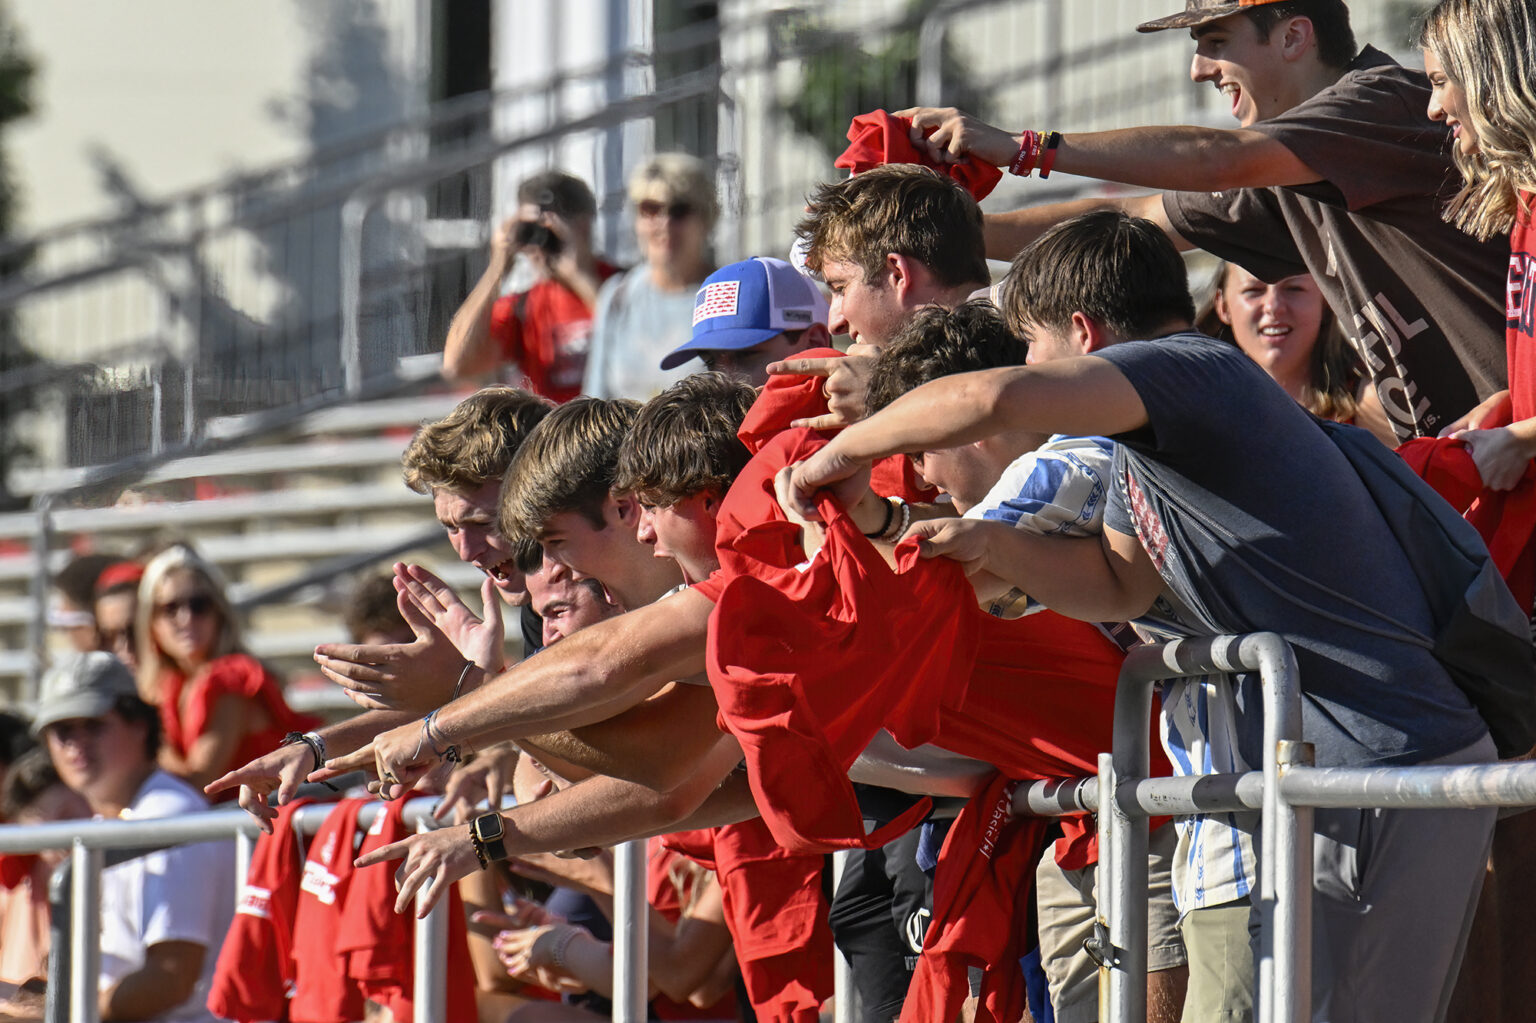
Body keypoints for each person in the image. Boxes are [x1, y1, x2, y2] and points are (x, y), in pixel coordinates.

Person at [785, 209, 1498, 1023]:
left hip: (1356, 774)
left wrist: (844, 453)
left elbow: (993, 394)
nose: (1030, 369)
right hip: (1333, 783)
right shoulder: (1155, 436)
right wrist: (971, 541)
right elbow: (1117, 583)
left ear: (1083, 336)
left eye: (1035, 345)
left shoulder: (1192, 370)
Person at [898, 0, 1510, 443]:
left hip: (1515, 438)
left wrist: (1028, 147)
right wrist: (944, 230)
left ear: (1295, 36)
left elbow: (1218, 160)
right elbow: (1128, 218)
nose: (1198, 68)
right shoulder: (1287, 168)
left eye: (1216, 41)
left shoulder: (1378, 101)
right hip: (1479, 458)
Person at [36, 651, 235, 1023]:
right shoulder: (122, 817)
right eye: (62, 730)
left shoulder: (169, 814)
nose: (76, 745)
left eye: (92, 725)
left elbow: (171, 979)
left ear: (139, 724)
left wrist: (58, 1012)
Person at [767, 164, 993, 431]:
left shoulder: (1032, 343)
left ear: (897, 274)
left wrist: (886, 392)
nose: (834, 323)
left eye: (840, 287)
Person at [132, 544, 315, 794]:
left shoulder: (231, 680)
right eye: (170, 608)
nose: (186, 618)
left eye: (199, 605)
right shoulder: (168, 683)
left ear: (219, 612)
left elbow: (201, 786)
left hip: (263, 824)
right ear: (151, 621)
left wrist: (141, 740)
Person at [441, 171, 619, 401]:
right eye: (532, 230)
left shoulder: (623, 287)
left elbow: (640, 349)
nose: (540, 243)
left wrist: (578, 276)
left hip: (616, 431)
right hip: (553, 435)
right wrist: (498, 267)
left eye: (550, 230)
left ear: (584, 227)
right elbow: (456, 365)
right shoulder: (524, 306)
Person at [1196, 263, 1390, 440]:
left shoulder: (1368, 404)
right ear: (1223, 306)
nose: (1273, 307)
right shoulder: (1203, 409)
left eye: (1294, 289)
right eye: (1253, 290)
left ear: (1325, 301)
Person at [583, 154, 717, 401]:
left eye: (679, 210)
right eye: (651, 209)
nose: (664, 223)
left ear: (707, 218)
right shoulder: (617, 294)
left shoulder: (722, 295)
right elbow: (595, 398)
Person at [657, 256, 830, 386]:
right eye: (710, 363)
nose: (723, 382)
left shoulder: (852, 430)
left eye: (745, 356)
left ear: (814, 344)